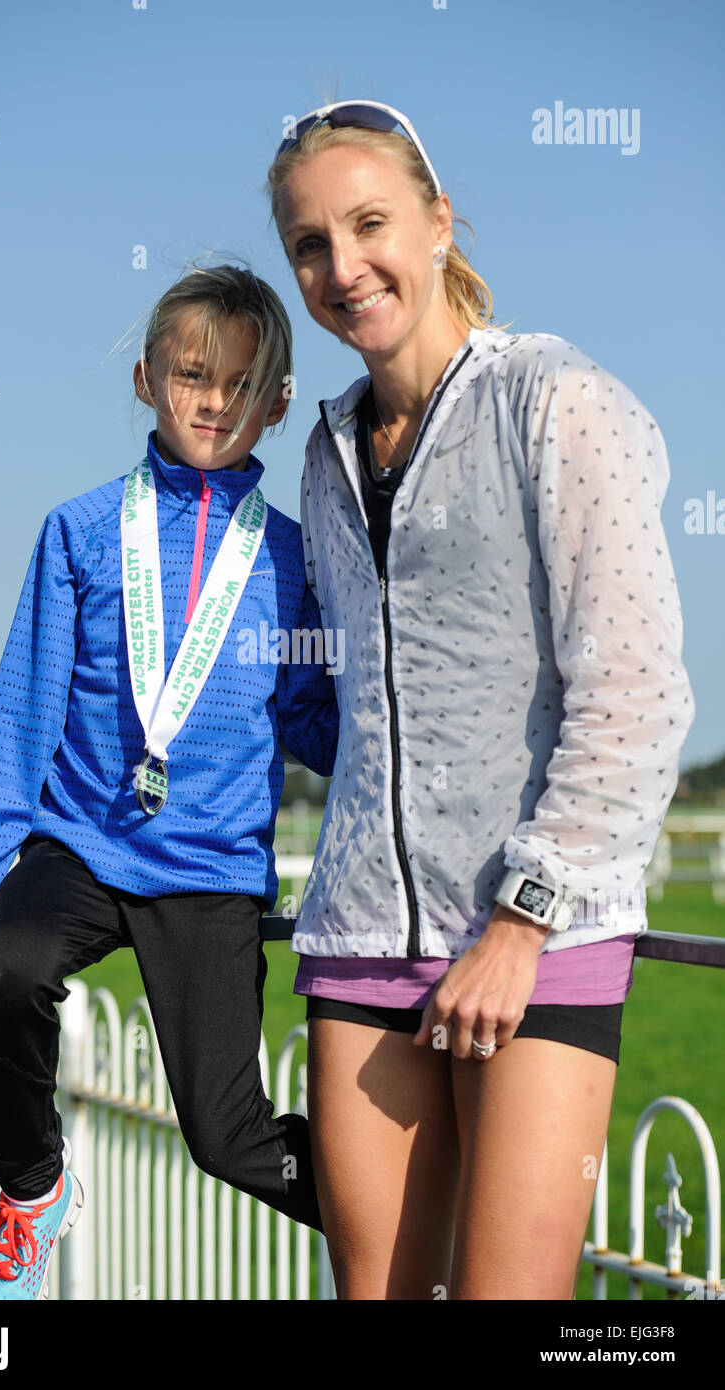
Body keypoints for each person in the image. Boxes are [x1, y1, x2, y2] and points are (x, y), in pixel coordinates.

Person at [265, 100, 694, 1300]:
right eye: (309, 243)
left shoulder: (557, 401)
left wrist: (521, 919)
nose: (342, 267)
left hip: (532, 944)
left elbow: (636, 692)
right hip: (359, 940)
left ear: (438, 221)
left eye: (368, 224)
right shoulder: (328, 445)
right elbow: (341, 702)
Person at [0, 264, 338, 1300]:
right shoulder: (80, 531)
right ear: (145, 379)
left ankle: (403, 1205)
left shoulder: (292, 559)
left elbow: (315, 722)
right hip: (82, 846)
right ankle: (34, 1186)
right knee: (4, 968)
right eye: (191, 374)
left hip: (211, 868)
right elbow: (21, 716)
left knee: (230, 1141)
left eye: (241, 382)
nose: (214, 401)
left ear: (276, 401)